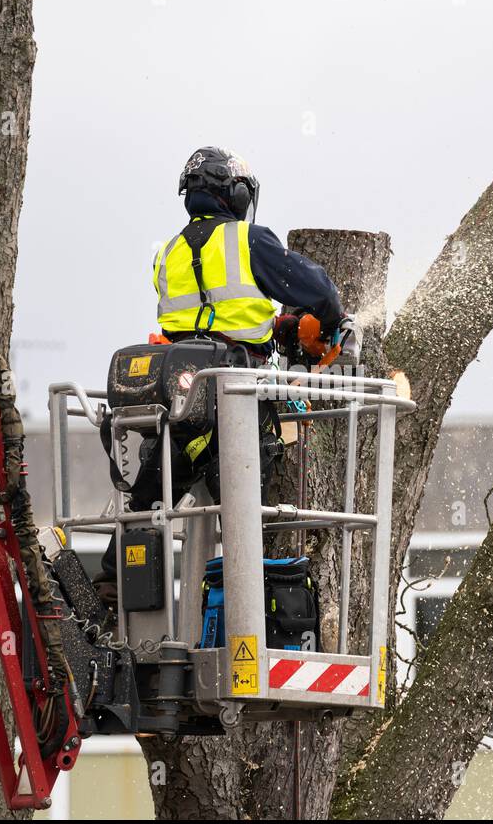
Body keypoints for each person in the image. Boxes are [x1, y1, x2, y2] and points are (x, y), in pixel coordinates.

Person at [94, 146, 354, 597]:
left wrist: (275, 329)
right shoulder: (247, 239)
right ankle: (261, 597)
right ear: (234, 193)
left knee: (151, 494)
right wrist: (333, 323)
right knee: (250, 504)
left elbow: (207, 316)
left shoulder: (169, 252)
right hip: (235, 393)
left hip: (180, 395)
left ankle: (112, 586)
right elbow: (318, 289)